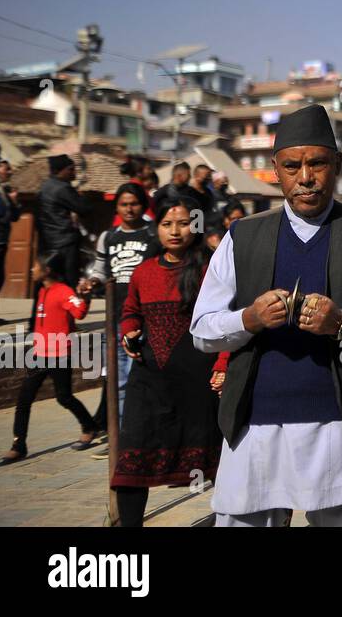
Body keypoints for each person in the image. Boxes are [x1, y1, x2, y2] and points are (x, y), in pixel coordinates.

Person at [190, 104, 342, 527]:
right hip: (255, 423)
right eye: (292, 166)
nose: (305, 177)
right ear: (275, 169)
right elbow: (201, 330)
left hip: (337, 420)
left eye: (317, 164)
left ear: (337, 165)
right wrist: (248, 319)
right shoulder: (242, 236)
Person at [110, 192, 221, 526]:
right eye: (166, 223)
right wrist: (129, 330)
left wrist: (223, 364)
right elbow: (130, 311)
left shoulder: (210, 268)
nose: (175, 231)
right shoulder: (144, 272)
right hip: (149, 382)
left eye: (184, 223)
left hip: (198, 383)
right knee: (133, 458)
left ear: (196, 225)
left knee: (214, 458)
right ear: (155, 227)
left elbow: (228, 318)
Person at [0, 252, 99, 465]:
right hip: (38, 355)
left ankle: (89, 426)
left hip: (59, 355)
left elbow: (79, 312)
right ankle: (19, 445)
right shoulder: (42, 291)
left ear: (47, 270)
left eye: (35, 266)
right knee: (23, 400)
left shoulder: (63, 291)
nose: (30, 270)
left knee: (64, 397)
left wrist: (85, 295)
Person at [82, 182, 160, 432]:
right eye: (124, 204)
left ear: (143, 205)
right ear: (117, 207)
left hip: (148, 319)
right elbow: (100, 270)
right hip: (117, 317)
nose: (129, 209)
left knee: (145, 377)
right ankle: (125, 436)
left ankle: (146, 432)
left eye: (134, 203)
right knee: (120, 380)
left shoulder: (154, 233)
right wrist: (93, 281)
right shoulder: (109, 237)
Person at [36, 154, 87, 284]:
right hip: (65, 244)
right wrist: (81, 194)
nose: (73, 172)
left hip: (48, 244)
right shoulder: (63, 188)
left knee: (47, 281)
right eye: (70, 169)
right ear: (60, 171)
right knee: (69, 282)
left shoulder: (44, 187)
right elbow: (84, 208)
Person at [0, 158, 19, 286]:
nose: (10, 172)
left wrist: (14, 201)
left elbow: (15, 217)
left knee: (0, 277)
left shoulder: (5, 191)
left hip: (2, 240)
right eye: (7, 169)